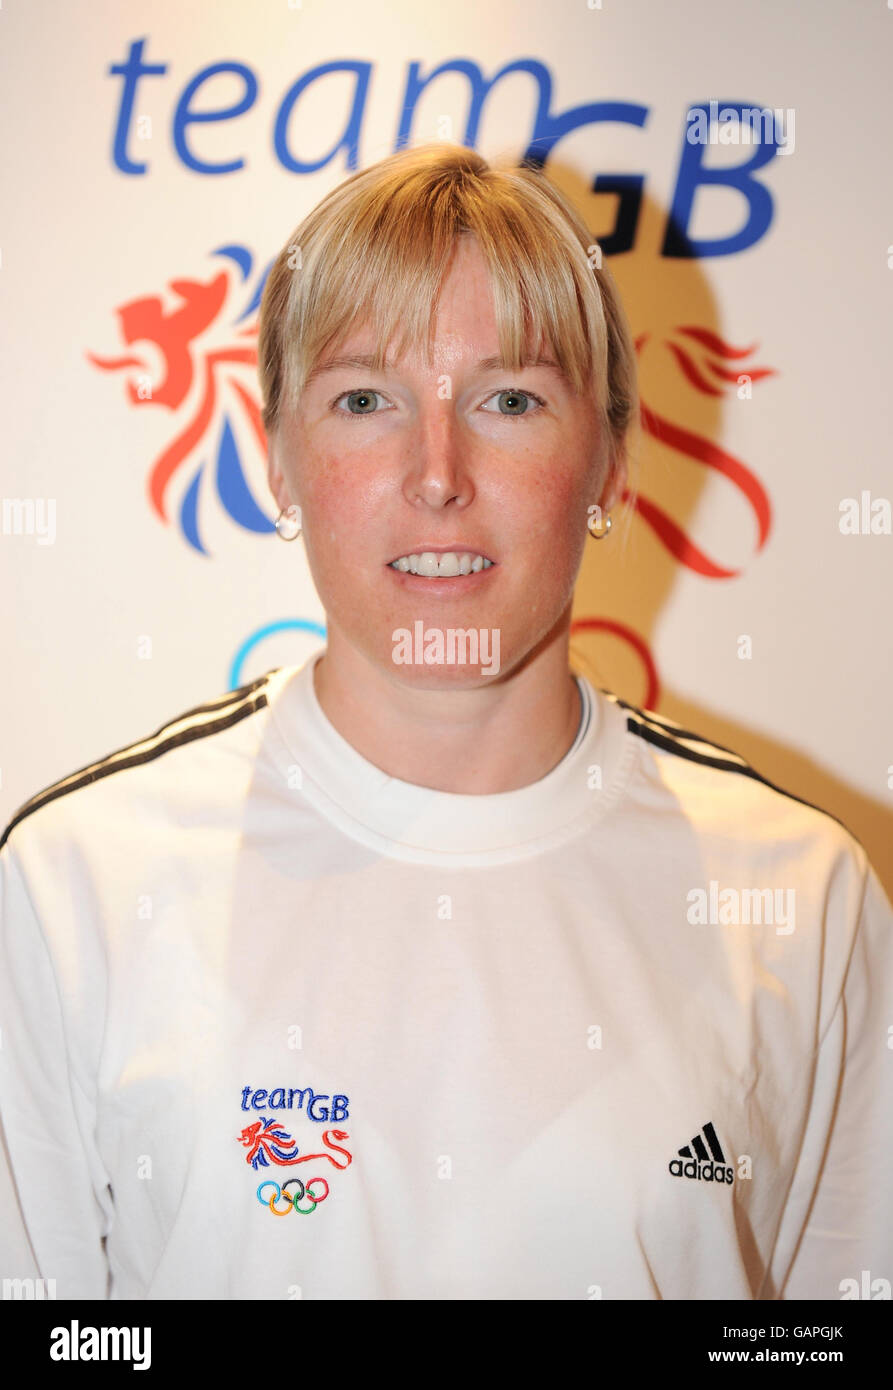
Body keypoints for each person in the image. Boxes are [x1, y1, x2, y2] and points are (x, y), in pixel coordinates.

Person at [1, 143, 891, 1301]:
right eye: (365, 399)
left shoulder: (800, 895)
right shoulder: (73, 889)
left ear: (611, 461)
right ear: (275, 454)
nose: (437, 473)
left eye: (508, 399)